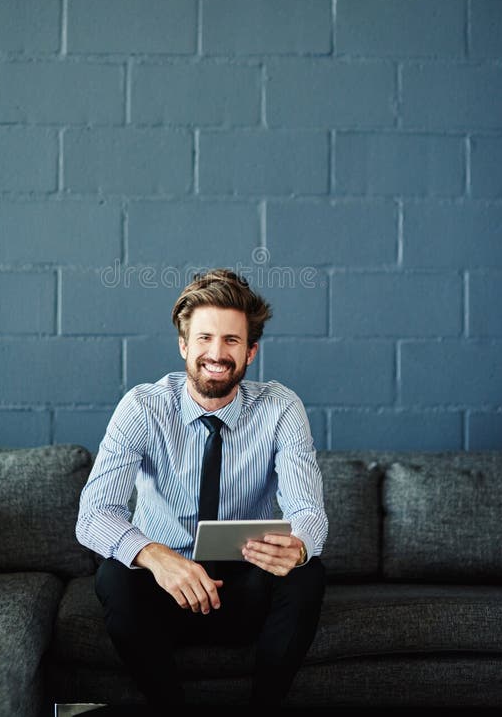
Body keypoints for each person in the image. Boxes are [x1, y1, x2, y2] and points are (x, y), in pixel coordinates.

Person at [76, 268, 328, 707]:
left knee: (307, 572)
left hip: (245, 586)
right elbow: (93, 514)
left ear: (250, 352)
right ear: (183, 345)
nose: (217, 353)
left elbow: (308, 511)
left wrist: (300, 546)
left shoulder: (282, 408)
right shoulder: (142, 407)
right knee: (114, 576)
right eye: (205, 338)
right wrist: (155, 557)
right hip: (165, 588)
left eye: (231, 341)